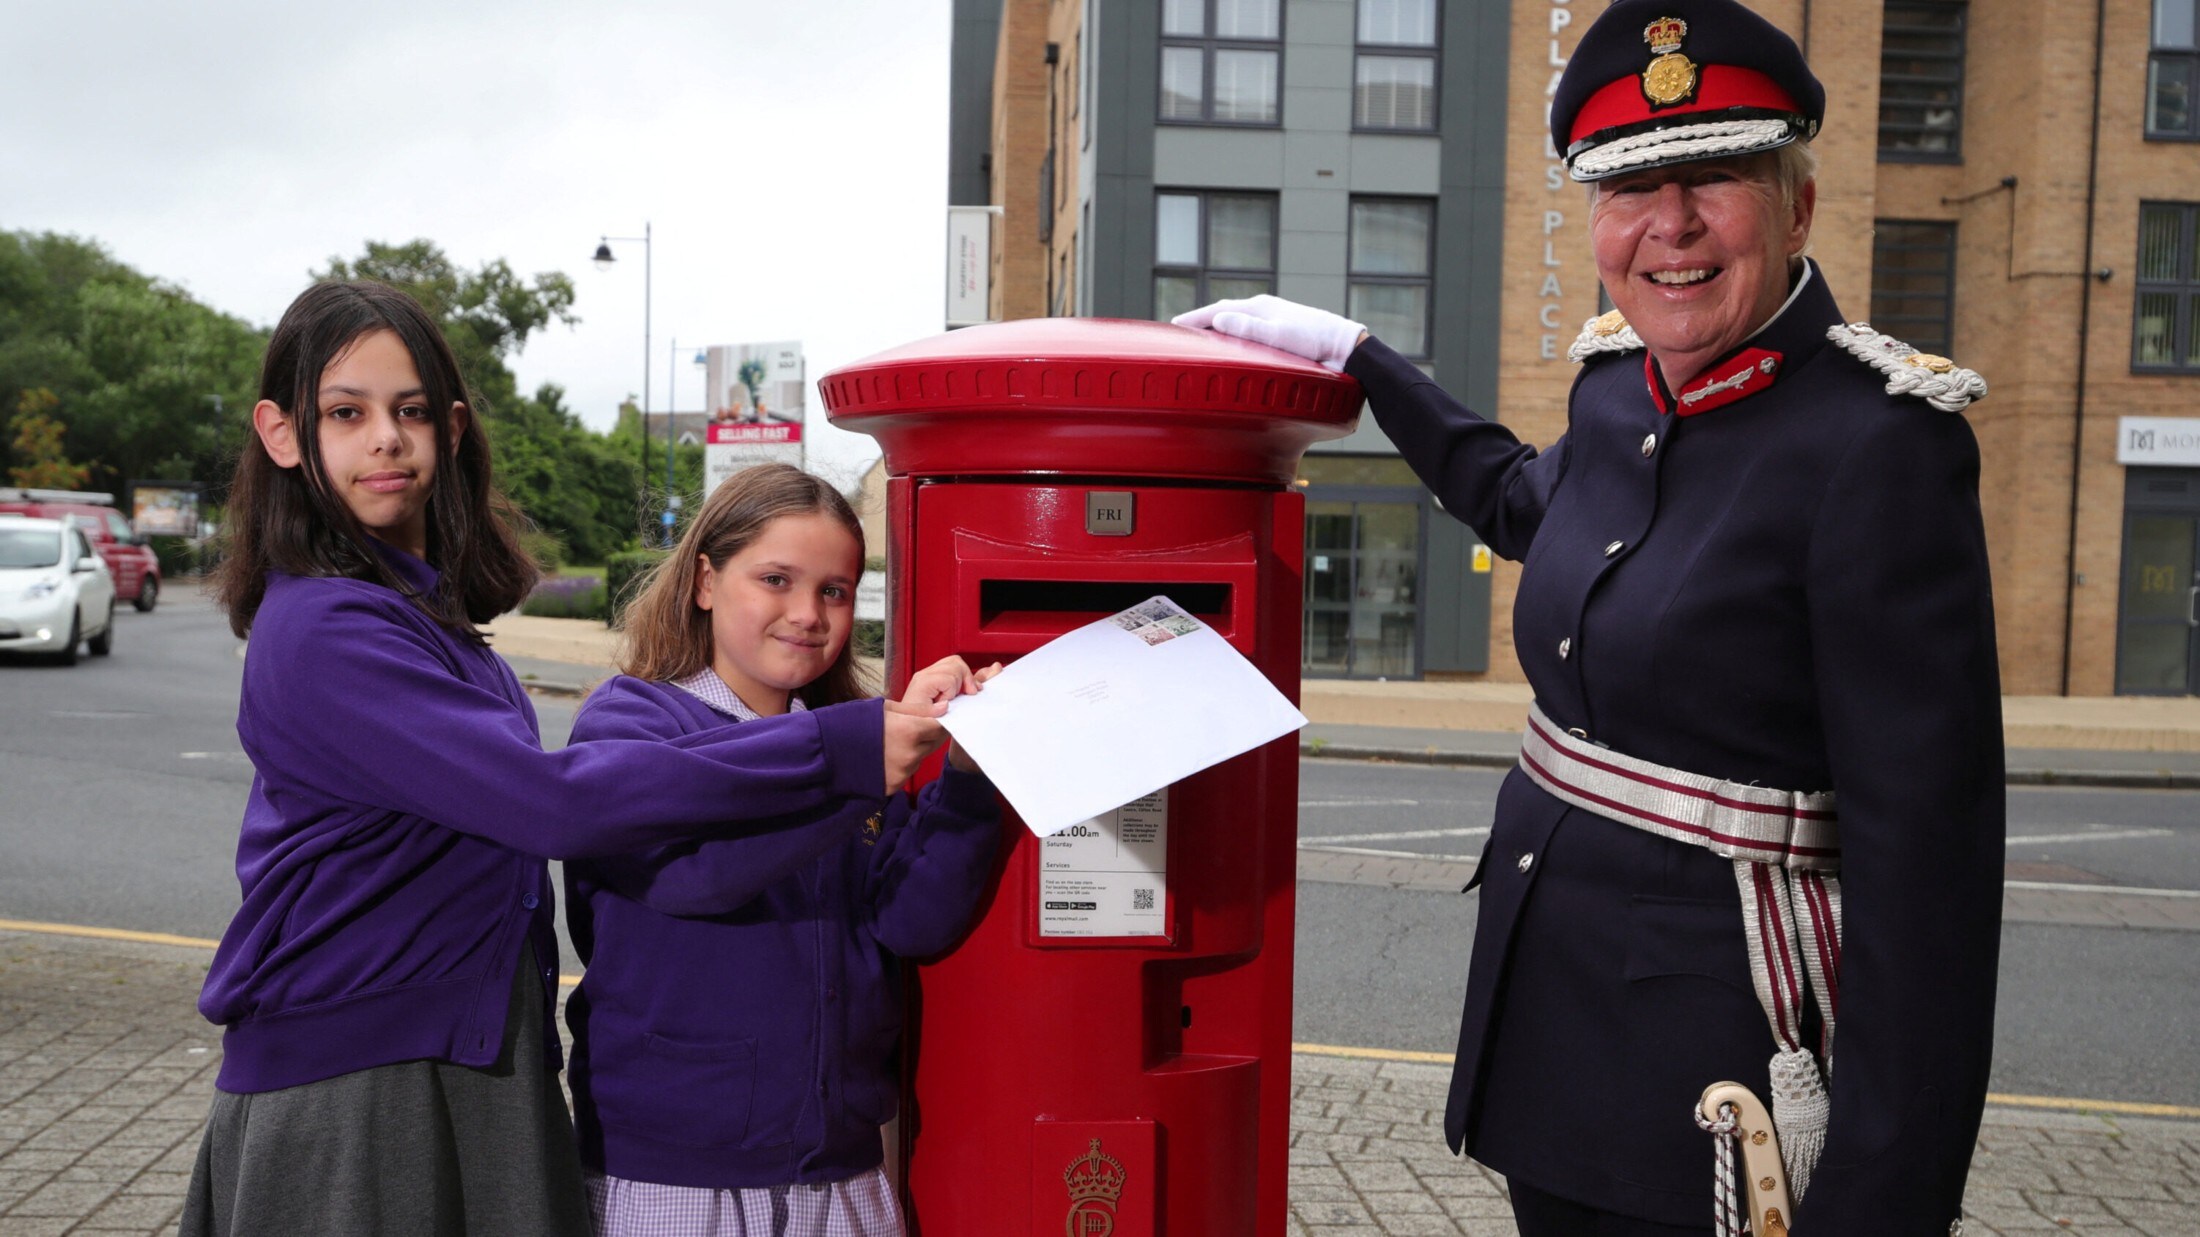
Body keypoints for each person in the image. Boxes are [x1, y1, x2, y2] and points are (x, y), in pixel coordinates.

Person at [1178, 2, 2004, 1232]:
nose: (1666, 227)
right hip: (1551, 1030)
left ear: (1797, 204)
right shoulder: (1620, 390)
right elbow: (1523, 501)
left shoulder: (1879, 448)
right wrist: (1362, 359)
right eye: (1627, 189)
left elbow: (1928, 885)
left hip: (1718, 1088)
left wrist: (1881, 1201)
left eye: (1711, 179)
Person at [182, 282, 952, 1236]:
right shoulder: (326, 630)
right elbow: (554, 806)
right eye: (347, 411)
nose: (385, 437)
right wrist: (841, 748)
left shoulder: (417, 618)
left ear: (451, 428)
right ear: (282, 433)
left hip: (460, 1057)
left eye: (411, 410)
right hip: (364, 1076)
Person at [561, 463, 1000, 1237]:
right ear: (704, 580)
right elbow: (694, 874)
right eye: (775, 578)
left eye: (835, 590)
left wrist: (966, 773)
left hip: (837, 1167)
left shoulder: (852, 743)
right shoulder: (630, 724)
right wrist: (859, 762)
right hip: (674, 1170)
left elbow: (911, 923)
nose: (807, 613)